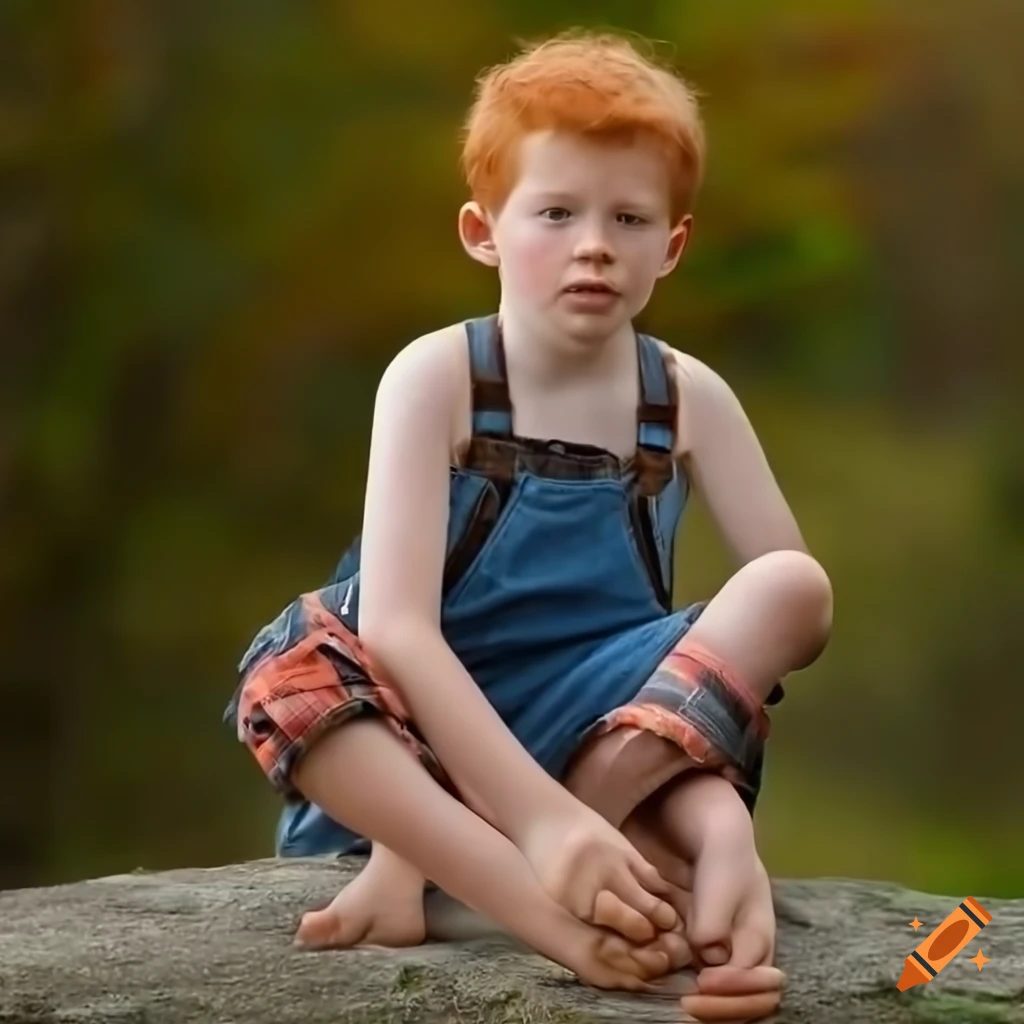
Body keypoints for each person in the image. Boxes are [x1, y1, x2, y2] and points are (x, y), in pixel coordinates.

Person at [223, 28, 832, 1021]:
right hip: (418, 731)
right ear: (483, 229)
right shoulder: (440, 378)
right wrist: (542, 826)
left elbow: (761, 640)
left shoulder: (686, 398)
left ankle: (602, 847)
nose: (594, 243)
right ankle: (528, 902)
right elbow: (400, 631)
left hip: (608, 721)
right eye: (555, 211)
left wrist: (724, 834)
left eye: (629, 217)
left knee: (793, 583)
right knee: (290, 666)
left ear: (671, 245)